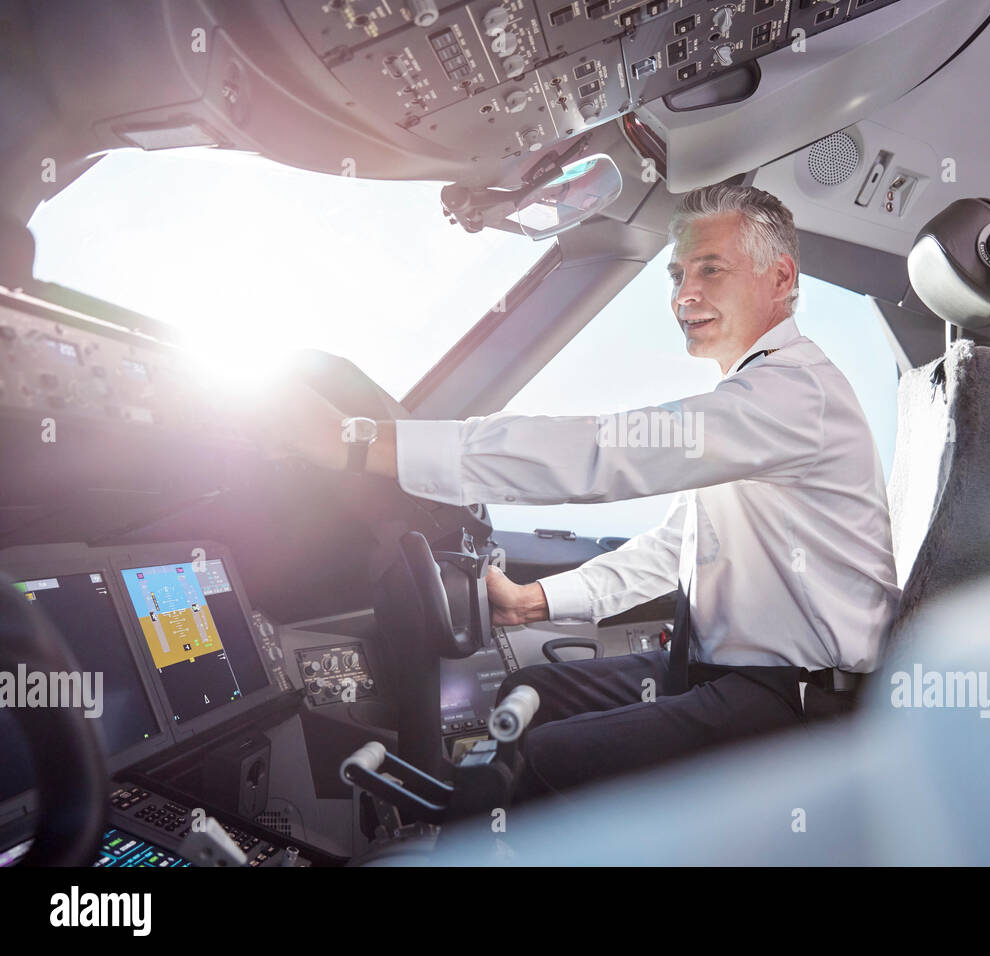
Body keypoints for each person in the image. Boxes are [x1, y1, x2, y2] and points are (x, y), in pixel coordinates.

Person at [255, 183, 899, 801]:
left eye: (711, 271)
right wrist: (535, 601)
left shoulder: (793, 394)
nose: (685, 295)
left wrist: (357, 443)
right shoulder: (751, 402)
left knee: (540, 760)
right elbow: (673, 548)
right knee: (531, 688)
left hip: (795, 703)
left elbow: (604, 451)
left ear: (781, 279)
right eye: (677, 276)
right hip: (717, 673)